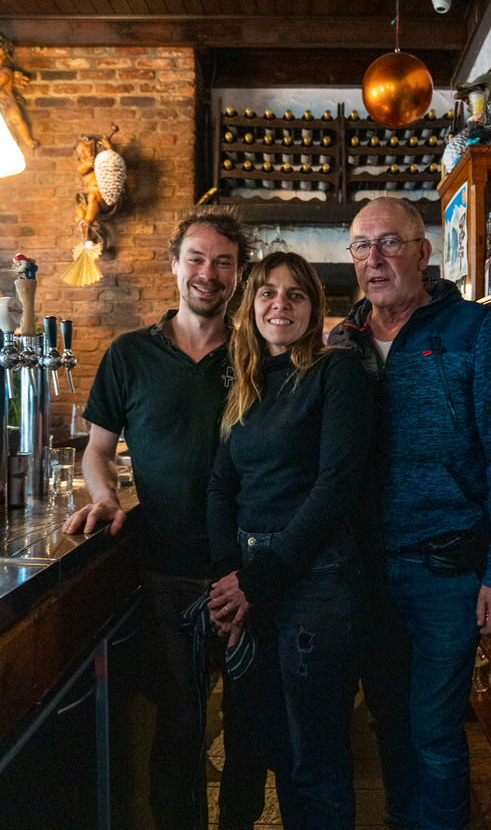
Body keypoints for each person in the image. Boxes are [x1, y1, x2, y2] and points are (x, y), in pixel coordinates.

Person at [328, 197, 491, 830]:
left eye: (389, 243)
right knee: (389, 722)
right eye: (362, 246)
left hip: (447, 569)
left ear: (424, 252)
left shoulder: (472, 329)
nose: (375, 259)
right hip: (366, 571)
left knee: (436, 730)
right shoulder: (344, 339)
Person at [62, 203, 267, 830]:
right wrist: (104, 499)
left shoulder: (257, 352)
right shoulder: (129, 355)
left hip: (246, 575)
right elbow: (99, 448)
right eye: (197, 259)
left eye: (224, 263)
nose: (209, 273)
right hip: (166, 573)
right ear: (174, 266)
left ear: (239, 276)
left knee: (250, 734)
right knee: (177, 733)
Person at [207, 251, 374, 830]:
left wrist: (256, 579)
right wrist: (230, 575)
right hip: (256, 582)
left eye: (296, 294)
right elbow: (221, 486)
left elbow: (337, 487)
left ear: (313, 306)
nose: (281, 304)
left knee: (315, 759)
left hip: (317, 585)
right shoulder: (247, 386)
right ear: (250, 306)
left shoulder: (336, 372)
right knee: (272, 743)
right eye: (268, 293)